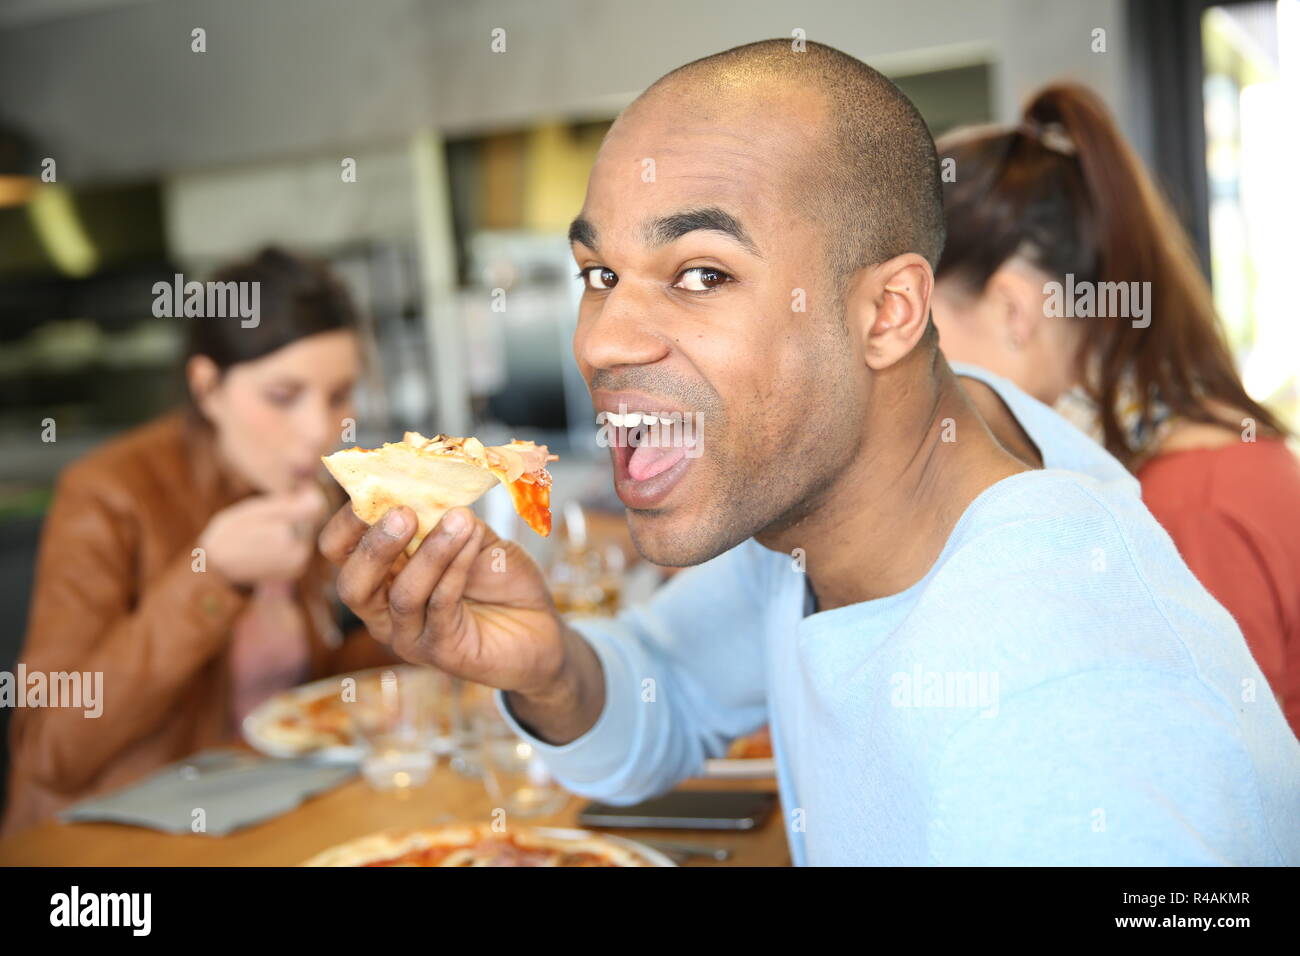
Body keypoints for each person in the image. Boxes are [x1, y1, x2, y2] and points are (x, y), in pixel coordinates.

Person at [320, 41, 1300, 864]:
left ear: (887, 311)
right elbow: (664, 698)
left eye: (701, 271)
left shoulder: (1062, 713)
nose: (601, 338)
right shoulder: (862, 482)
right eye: (600, 272)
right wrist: (546, 669)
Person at [929, 83, 1300, 736]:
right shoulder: (1180, 454)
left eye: (925, 329)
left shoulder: (1186, 507)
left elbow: (1199, 792)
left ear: (1015, 312)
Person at [3, 247, 397, 834]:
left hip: (268, 815)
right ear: (208, 387)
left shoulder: (309, 488)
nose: (320, 430)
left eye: (339, 395)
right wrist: (212, 577)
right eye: (282, 397)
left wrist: (412, 626)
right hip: (114, 849)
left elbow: (296, 689)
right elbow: (50, 749)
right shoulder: (107, 493)